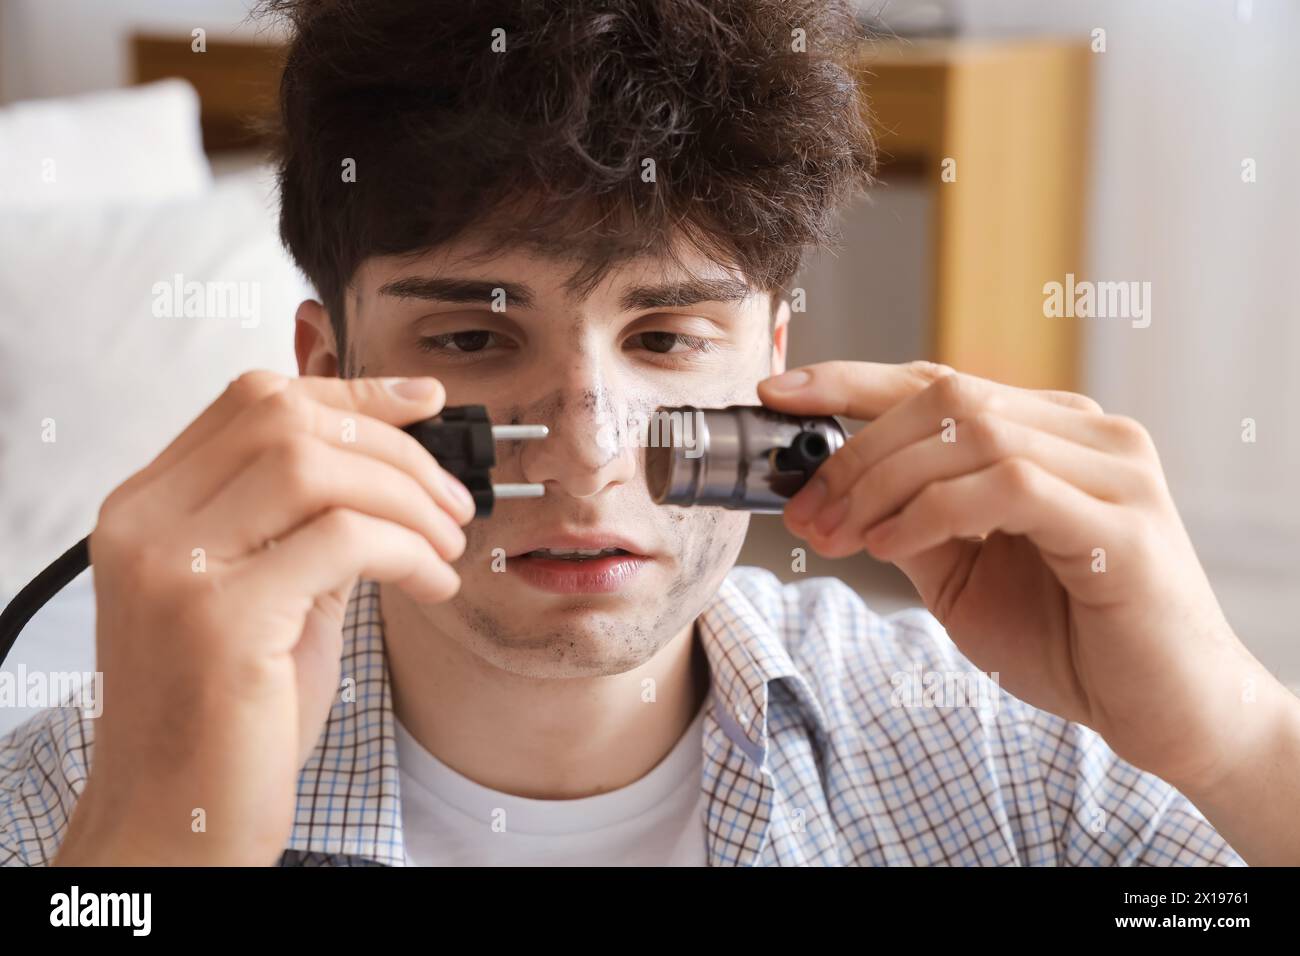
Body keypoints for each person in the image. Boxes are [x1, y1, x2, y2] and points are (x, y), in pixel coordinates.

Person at [4, 0, 1296, 867]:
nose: (586, 455)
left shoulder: (1006, 763)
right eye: (472, 340)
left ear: (778, 367)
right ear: (327, 374)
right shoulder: (85, 797)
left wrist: (1234, 740)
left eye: (668, 339)